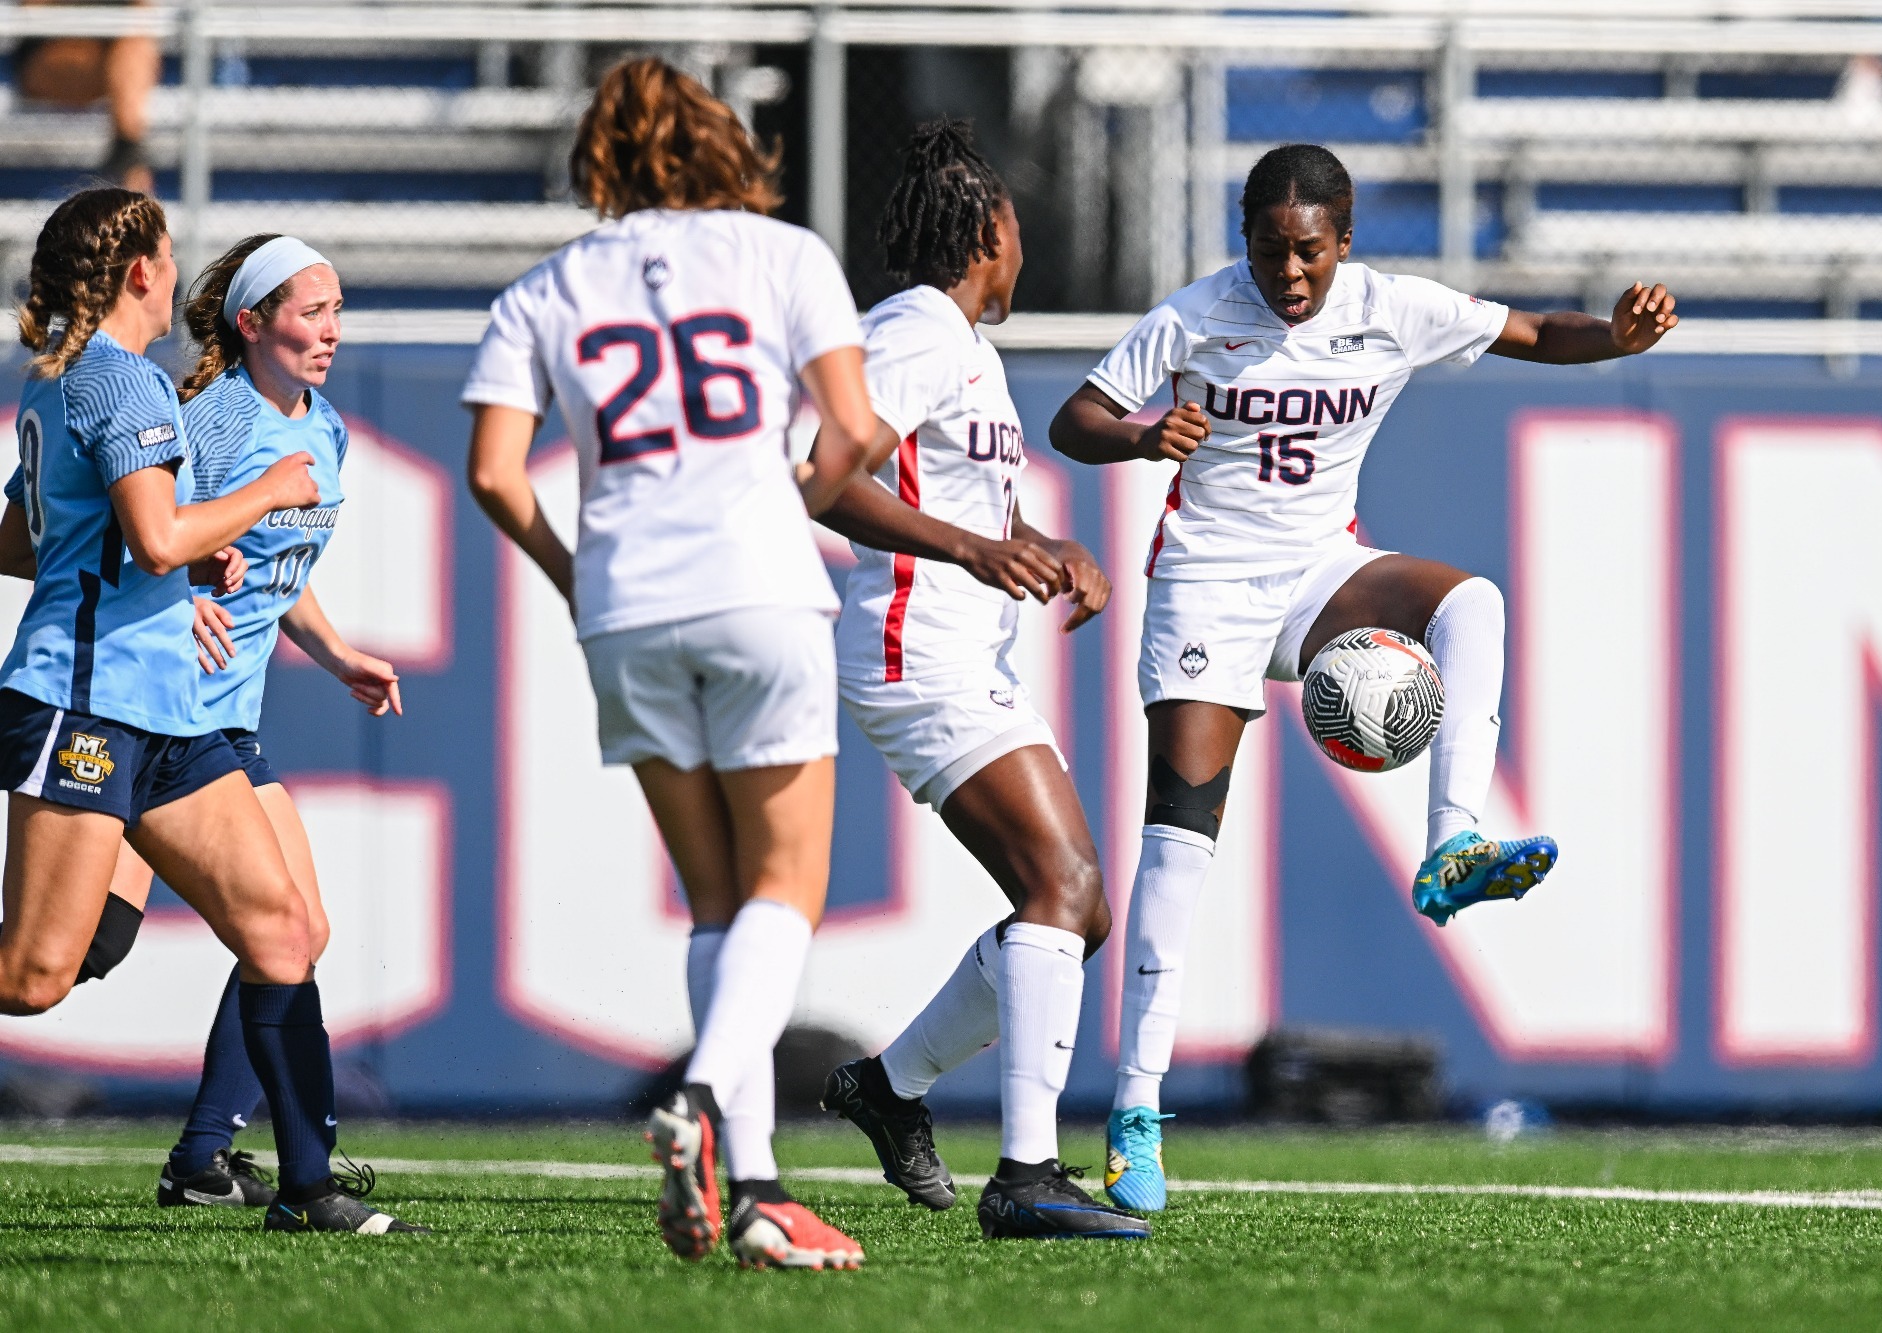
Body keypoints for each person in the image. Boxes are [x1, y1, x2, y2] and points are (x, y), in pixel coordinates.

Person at [1048, 143, 1677, 1212]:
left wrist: (1611, 338)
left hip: (1316, 575)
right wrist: (1146, 434)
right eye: (1266, 248)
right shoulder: (1197, 314)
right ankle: (1136, 1114)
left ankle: (1449, 846)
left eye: (1306, 252)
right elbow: (1075, 418)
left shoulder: (1392, 307)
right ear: (1241, 237)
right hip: (1204, 587)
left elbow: (1529, 333)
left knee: (1469, 600)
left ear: (1341, 241)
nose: (1286, 274)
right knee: (1176, 851)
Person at [463, 57, 879, 1271]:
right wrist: (781, 496)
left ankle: (751, 1189)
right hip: (756, 586)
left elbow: (495, 474)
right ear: (720, 142)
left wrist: (572, 575)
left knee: (714, 902)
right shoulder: (781, 254)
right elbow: (850, 428)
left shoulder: (545, 287)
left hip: (627, 603)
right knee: (786, 891)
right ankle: (703, 1104)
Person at [0, 187, 420, 1233]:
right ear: (141, 269)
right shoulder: (127, 380)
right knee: (40, 971)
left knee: (283, 931)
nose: (180, 266)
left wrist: (185, 552)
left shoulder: (67, 380)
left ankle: (306, 1190)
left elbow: (30, 540)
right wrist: (238, 513)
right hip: (91, 702)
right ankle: (213, 1160)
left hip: (162, 713)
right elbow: (153, 538)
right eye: (168, 251)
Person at [812, 121, 1143, 1242]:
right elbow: (821, 480)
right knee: (1061, 886)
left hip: (960, 650)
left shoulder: (958, 345)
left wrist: (1046, 543)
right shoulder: (915, 334)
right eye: (1017, 235)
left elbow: (967, 501)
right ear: (990, 235)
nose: (1021, 254)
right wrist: (971, 551)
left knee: (1077, 910)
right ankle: (1025, 1173)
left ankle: (890, 1088)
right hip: (918, 651)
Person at [13, 0, 159, 192]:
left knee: (136, 47)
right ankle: (128, 160)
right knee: (130, 53)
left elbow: (144, 15)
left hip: (109, 60)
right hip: (49, 55)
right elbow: (32, 10)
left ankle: (126, 152)